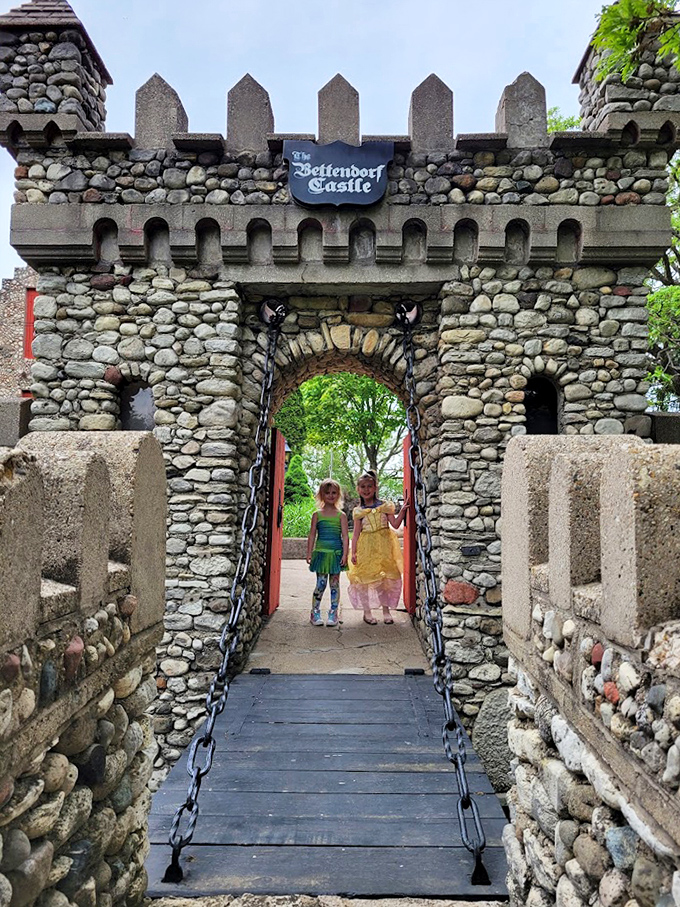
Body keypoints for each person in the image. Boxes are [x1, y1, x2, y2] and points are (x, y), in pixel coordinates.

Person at [348, 470, 409, 625]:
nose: (366, 489)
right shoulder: (359, 512)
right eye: (363, 487)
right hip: (366, 548)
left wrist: (403, 511)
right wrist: (353, 552)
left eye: (369, 486)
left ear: (375, 487)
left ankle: (386, 611)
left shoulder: (385, 506)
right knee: (365, 579)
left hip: (384, 548)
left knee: (384, 579)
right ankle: (367, 612)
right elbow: (356, 534)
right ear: (358, 489)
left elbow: (395, 524)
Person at [306, 478, 349, 627]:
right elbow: (312, 534)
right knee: (321, 584)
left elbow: (345, 536)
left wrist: (345, 554)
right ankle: (315, 611)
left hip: (336, 554)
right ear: (321, 495)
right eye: (327, 492)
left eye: (334, 493)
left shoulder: (341, 515)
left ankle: (333, 612)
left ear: (338, 495)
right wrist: (309, 552)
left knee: (334, 585)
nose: (331, 495)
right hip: (321, 555)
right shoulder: (317, 515)